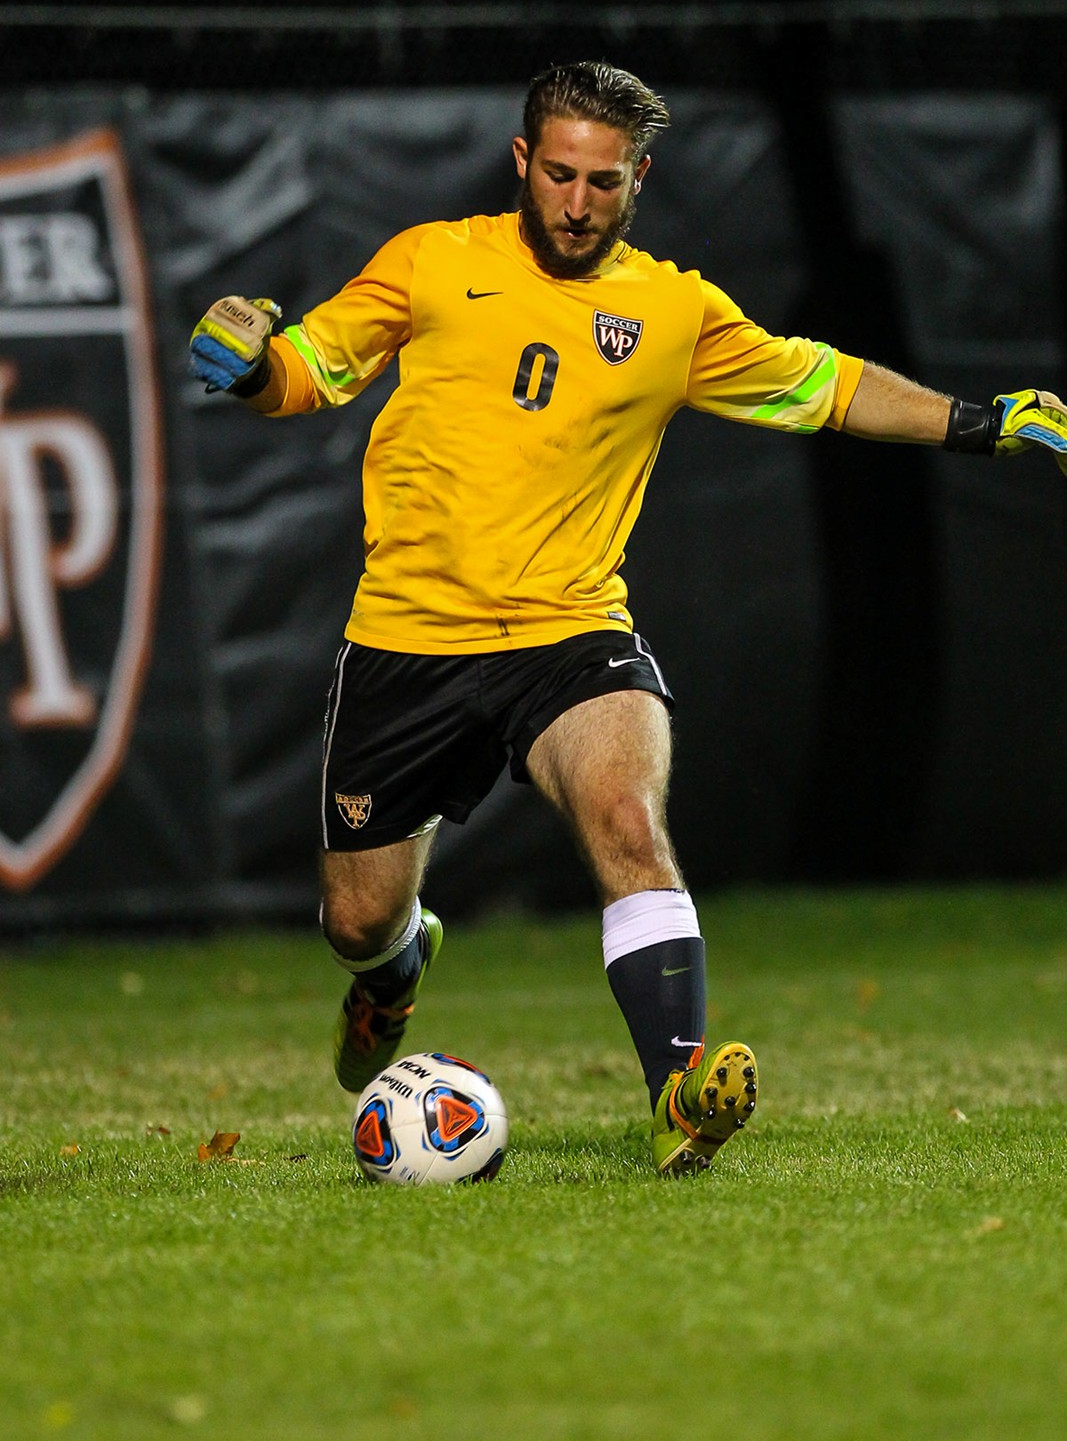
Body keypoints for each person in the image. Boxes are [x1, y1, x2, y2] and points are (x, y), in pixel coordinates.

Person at [188, 60, 1067, 1176]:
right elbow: (309, 370)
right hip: (407, 642)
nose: (574, 202)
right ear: (521, 161)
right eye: (556, 173)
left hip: (570, 633)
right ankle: (396, 968)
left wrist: (980, 421)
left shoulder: (671, 310)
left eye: (602, 181)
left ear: (637, 178)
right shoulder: (430, 261)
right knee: (355, 918)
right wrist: (251, 360)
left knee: (628, 823)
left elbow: (826, 386)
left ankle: (677, 1095)